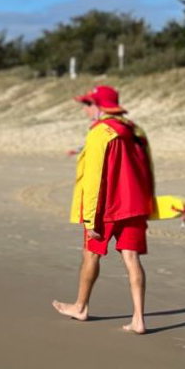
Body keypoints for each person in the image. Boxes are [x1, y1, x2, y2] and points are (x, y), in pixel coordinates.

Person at [52, 84, 155, 334]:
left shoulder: (100, 132)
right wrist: (148, 204)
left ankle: (80, 307)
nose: (86, 110)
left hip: (106, 208)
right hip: (135, 205)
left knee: (91, 255)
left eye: (89, 105)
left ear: (100, 106)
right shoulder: (135, 130)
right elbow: (147, 167)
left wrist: (89, 219)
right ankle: (139, 320)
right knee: (132, 259)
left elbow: (94, 177)